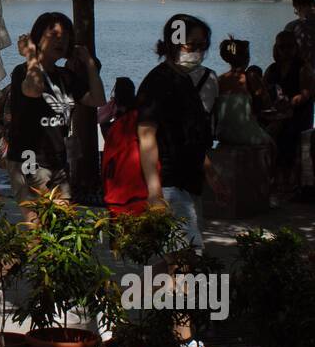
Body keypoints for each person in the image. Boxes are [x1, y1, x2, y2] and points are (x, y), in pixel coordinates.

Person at [135, 14, 225, 253]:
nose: (198, 52)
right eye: (192, 45)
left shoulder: (183, 79)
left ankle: (122, 293)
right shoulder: (158, 82)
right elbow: (146, 136)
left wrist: (210, 172)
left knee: (177, 261)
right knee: (186, 258)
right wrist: (154, 192)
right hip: (170, 185)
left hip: (188, 182)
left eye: (203, 46)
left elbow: (190, 134)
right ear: (173, 43)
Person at [6, 12, 105, 209]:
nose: (62, 40)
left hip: (58, 160)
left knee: (61, 222)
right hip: (30, 158)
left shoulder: (65, 76)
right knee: (36, 223)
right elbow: (34, 90)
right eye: (54, 35)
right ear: (37, 37)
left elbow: (97, 99)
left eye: (66, 36)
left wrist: (90, 64)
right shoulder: (23, 71)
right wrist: (30, 56)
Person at [264, 31, 314, 201]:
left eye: (290, 46)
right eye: (282, 46)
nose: (286, 50)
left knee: (288, 134)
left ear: (296, 47)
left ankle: (290, 182)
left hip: (298, 114)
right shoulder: (272, 69)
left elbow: (306, 93)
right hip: (277, 114)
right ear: (276, 48)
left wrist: (290, 103)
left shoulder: (303, 68)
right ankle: (275, 179)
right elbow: (264, 92)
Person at [100, 77, 150, 216]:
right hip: (137, 189)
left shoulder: (118, 124)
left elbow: (102, 122)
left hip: (117, 191)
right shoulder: (139, 117)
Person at [214, 38, 271, 147]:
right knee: (273, 144)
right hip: (247, 135)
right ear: (247, 58)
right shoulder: (251, 77)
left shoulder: (219, 80)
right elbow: (267, 104)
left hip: (223, 134)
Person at [283, 0, 315, 69]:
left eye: (296, 10)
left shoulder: (292, 26)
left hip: (301, 71)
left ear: (299, 8)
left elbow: (284, 52)